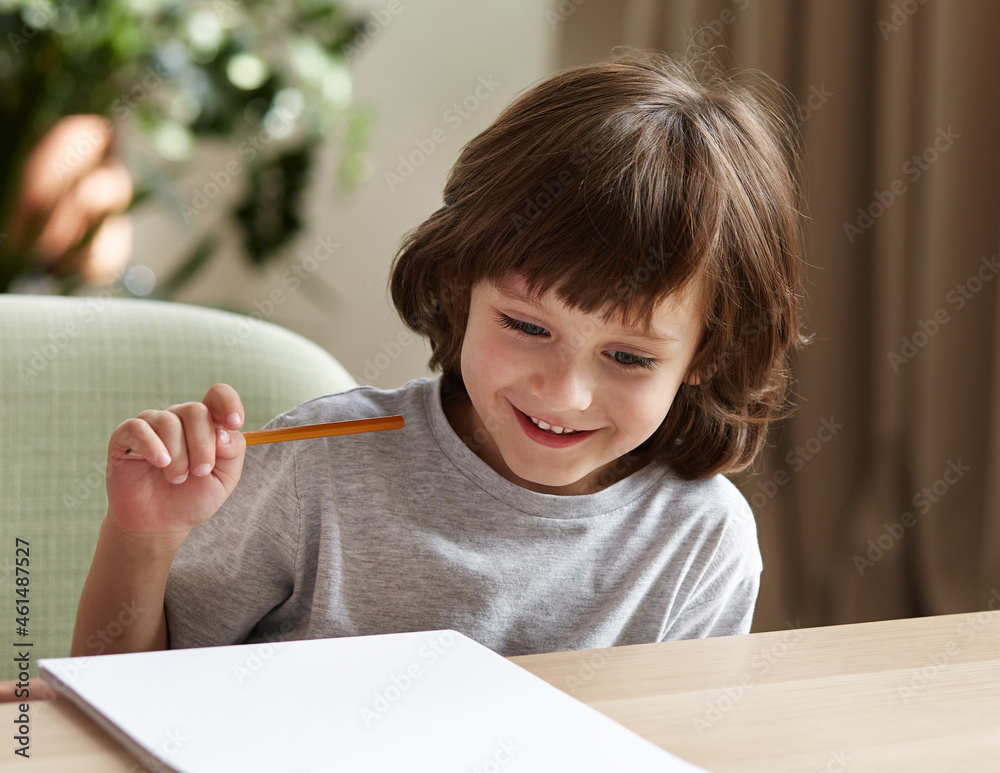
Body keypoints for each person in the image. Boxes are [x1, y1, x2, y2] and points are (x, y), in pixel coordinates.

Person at [72, 49, 806, 659]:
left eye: (629, 358)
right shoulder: (317, 469)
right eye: (527, 326)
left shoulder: (701, 542)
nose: (563, 393)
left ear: (708, 355)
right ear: (460, 288)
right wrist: (144, 537)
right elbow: (116, 710)